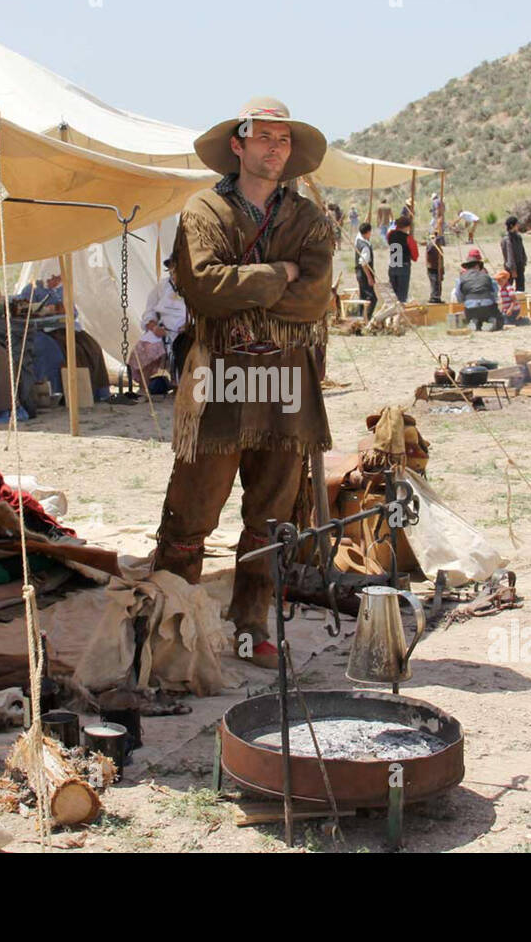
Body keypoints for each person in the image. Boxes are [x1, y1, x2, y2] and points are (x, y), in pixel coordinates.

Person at [152, 96, 334, 669]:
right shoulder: (204, 210)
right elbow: (203, 288)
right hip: (222, 375)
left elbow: (313, 299)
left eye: (283, 140)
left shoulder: (307, 218)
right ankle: (166, 626)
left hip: (287, 378)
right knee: (191, 511)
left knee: (272, 514)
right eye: (263, 138)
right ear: (239, 144)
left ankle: (251, 625)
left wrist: (250, 285)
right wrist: (279, 272)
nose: (274, 149)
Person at [129, 256, 188, 391]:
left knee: (185, 349)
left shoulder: (194, 287)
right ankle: (144, 389)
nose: (174, 271)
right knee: (146, 347)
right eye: (172, 268)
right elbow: (149, 312)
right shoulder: (162, 286)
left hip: (185, 331)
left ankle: (180, 388)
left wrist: (189, 326)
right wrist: (154, 327)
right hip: (162, 329)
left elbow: (200, 312)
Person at [454, 248, 503, 330]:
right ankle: (490, 321)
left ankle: (473, 321)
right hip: (488, 306)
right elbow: (495, 292)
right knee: (496, 316)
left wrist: (464, 301)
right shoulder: (487, 276)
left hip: (470, 307)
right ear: (477, 266)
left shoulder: (460, 279)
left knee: (472, 314)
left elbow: (458, 294)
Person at [385, 216, 418, 303]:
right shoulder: (408, 238)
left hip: (393, 265)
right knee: (402, 296)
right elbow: (415, 256)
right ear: (407, 227)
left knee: (393, 295)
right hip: (403, 266)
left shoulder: (390, 235)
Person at [354, 221, 377, 319]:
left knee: (363, 297)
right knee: (372, 298)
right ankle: (367, 318)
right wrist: (369, 278)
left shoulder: (358, 239)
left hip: (359, 273)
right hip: (364, 274)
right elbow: (363, 264)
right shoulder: (365, 247)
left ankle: (360, 317)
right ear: (367, 232)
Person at [500, 215, 528, 291]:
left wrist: (524, 262)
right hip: (510, 268)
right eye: (516, 224)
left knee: (520, 288)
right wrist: (513, 269)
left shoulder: (518, 237)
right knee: (508, 288)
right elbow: (509, 255)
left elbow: (522, 250)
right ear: (512, 225)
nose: (518, 226)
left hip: (520, 265)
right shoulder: (506, 239)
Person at [425, 233, 446, 303]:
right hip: (432, 268)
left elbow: (441, 259)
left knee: (438, 284)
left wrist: (442, 270)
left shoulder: (439, 248)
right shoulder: (430, 246)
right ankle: (434, 298)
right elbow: (429, 250)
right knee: (434, 283)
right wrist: (433, 241)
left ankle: (437, 298)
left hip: (438, 268)